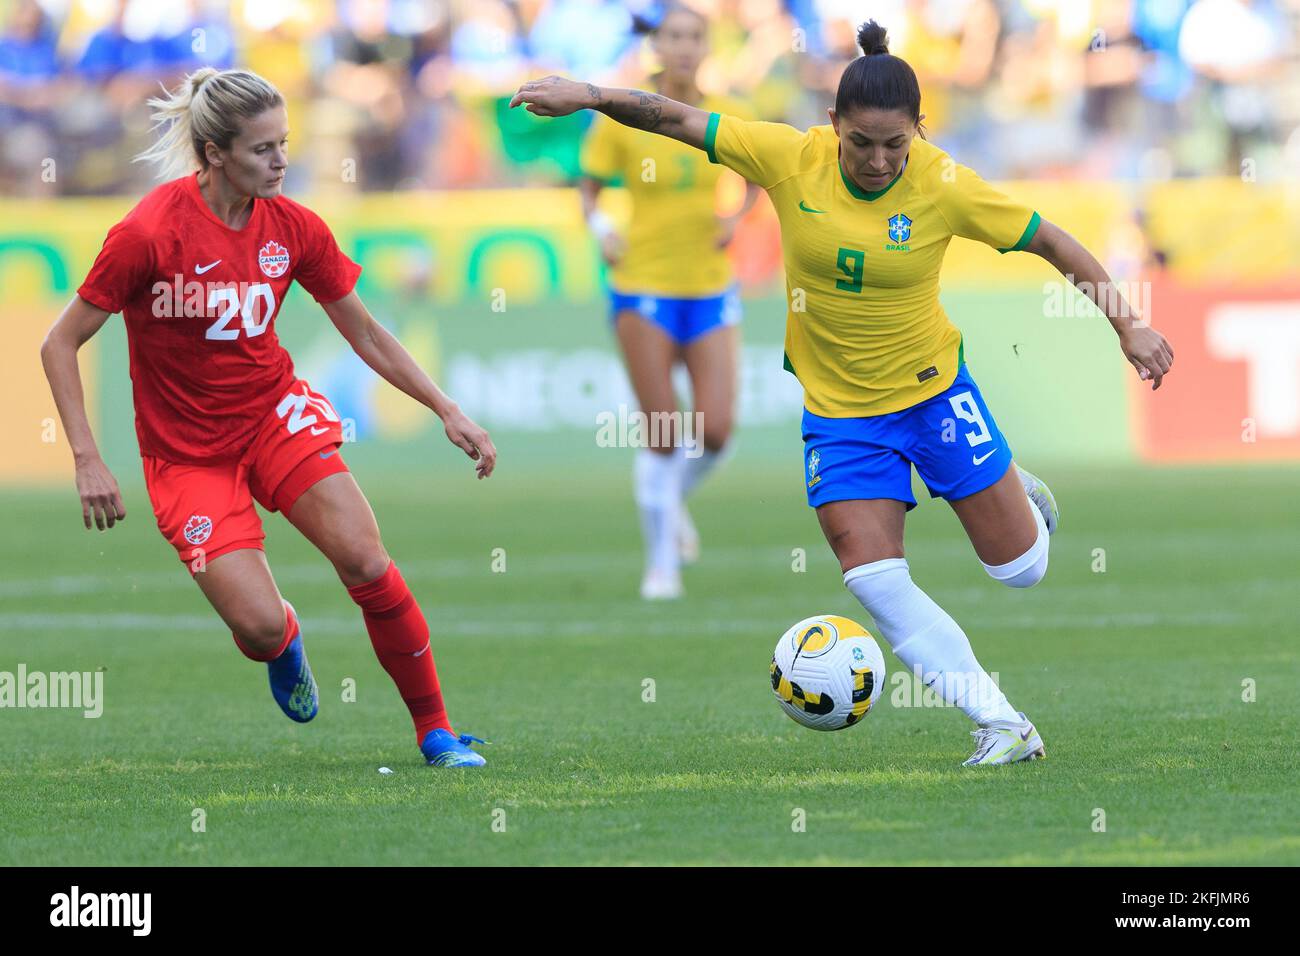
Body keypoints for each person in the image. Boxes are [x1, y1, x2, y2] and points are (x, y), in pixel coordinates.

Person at [510, 20, 1174, 765]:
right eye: (861, 143)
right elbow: (673, 118)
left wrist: (1129, 325)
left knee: (1021, 571)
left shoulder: (945, 185)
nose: (879, 160)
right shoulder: (790, 159)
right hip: (841, 419)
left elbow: (1052, 241)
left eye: (897, 144)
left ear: (920, 131)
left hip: (933, 394)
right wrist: (590, 96)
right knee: (873, 576)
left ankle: (1018, 491)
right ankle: (1003, 724)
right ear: (833, 127)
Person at [40, 68, 497, 768]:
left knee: (365, 559)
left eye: (284, 144)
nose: (281, 160)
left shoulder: (294, 227)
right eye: (263, 149)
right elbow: (60, 342)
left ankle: (435, 732)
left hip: (273, 417)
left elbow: (366, 333)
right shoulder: (148, 233)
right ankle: (283, 641)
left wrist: (446, 408)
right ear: (216, 153)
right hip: (187, 455)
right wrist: (85, 457)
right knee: (254, 629)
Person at [579, 3, 762, 599]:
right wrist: (602, 227)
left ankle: (671, 498)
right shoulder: (623, 117)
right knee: (662, 428)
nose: (684, 47)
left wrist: (736, 218)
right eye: (674, 37)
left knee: (715, 430)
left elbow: (761, 173)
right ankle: (661, 566)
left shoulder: (726, 114)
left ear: (708, 46)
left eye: (694, 37)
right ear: (657, 45)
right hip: (643, 284)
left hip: (709, 283)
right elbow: (589, 189)